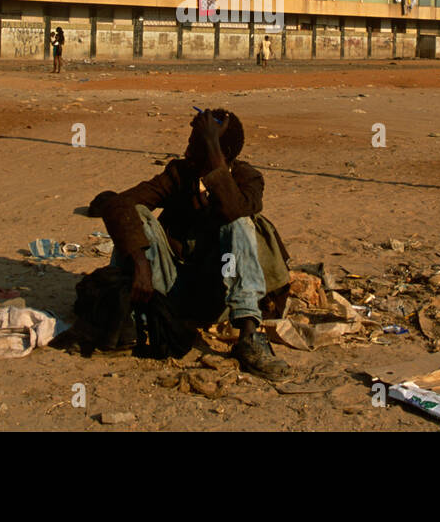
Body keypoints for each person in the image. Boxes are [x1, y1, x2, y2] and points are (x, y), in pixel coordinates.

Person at [79, 109, 292, 379]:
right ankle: (129, 319)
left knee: (241, 223)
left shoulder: (248, 179)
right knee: (138, 214)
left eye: (195, 145)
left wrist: (214, 148)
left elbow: (232, 210)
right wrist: (141, 263)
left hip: (223, 292)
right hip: (173, 290)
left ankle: (249, 337)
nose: (187, 151)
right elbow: (120, 204)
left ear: (217, 152)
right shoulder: (179, 174)